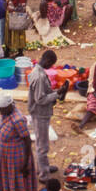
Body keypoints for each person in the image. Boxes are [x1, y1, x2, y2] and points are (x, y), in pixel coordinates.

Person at [0, 92, 37, 191]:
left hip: (15, 157)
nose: (0, 111)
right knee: (6, 179)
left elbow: (27, 141)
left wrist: (26, 163)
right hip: (4, 156)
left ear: (9, 106)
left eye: (2, 109)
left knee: (15, 181)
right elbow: (0, 132)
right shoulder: (6, 115)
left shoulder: (18, 120)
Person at [27, 49, 66, 180]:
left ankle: (44, 166)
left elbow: (44, 92)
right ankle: (43, 175)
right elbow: (40, 99)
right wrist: (56, 94)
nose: (51, 67)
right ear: (47, 61)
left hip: (41, 112)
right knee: (42, 146)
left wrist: (57, 92)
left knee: (42, 142)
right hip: (40, 113)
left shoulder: (39, 72)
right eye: (52, 64)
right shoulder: (39, 76)